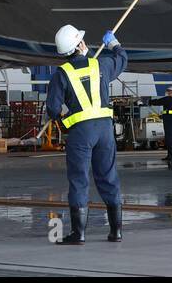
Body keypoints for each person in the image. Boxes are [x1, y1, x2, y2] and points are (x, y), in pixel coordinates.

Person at [45, 25, 127, 244]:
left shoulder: (62, 74)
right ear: (80, 44)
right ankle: (116, 232)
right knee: (108, 177)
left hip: (81, 133)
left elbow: (52, 109)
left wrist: (65, 117)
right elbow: (122, 59)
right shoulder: (100, 65)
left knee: (79, 180)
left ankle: (78, 234)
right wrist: (113, 44)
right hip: (105, 130)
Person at [150, 86, 172, 162]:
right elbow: (171, 110)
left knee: (169, 137)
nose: (166, 92)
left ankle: (171, 155)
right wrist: (163, 115)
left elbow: (158, 101)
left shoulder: (169, 98)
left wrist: (148, 101)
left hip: (169, 120)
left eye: (168, 91)